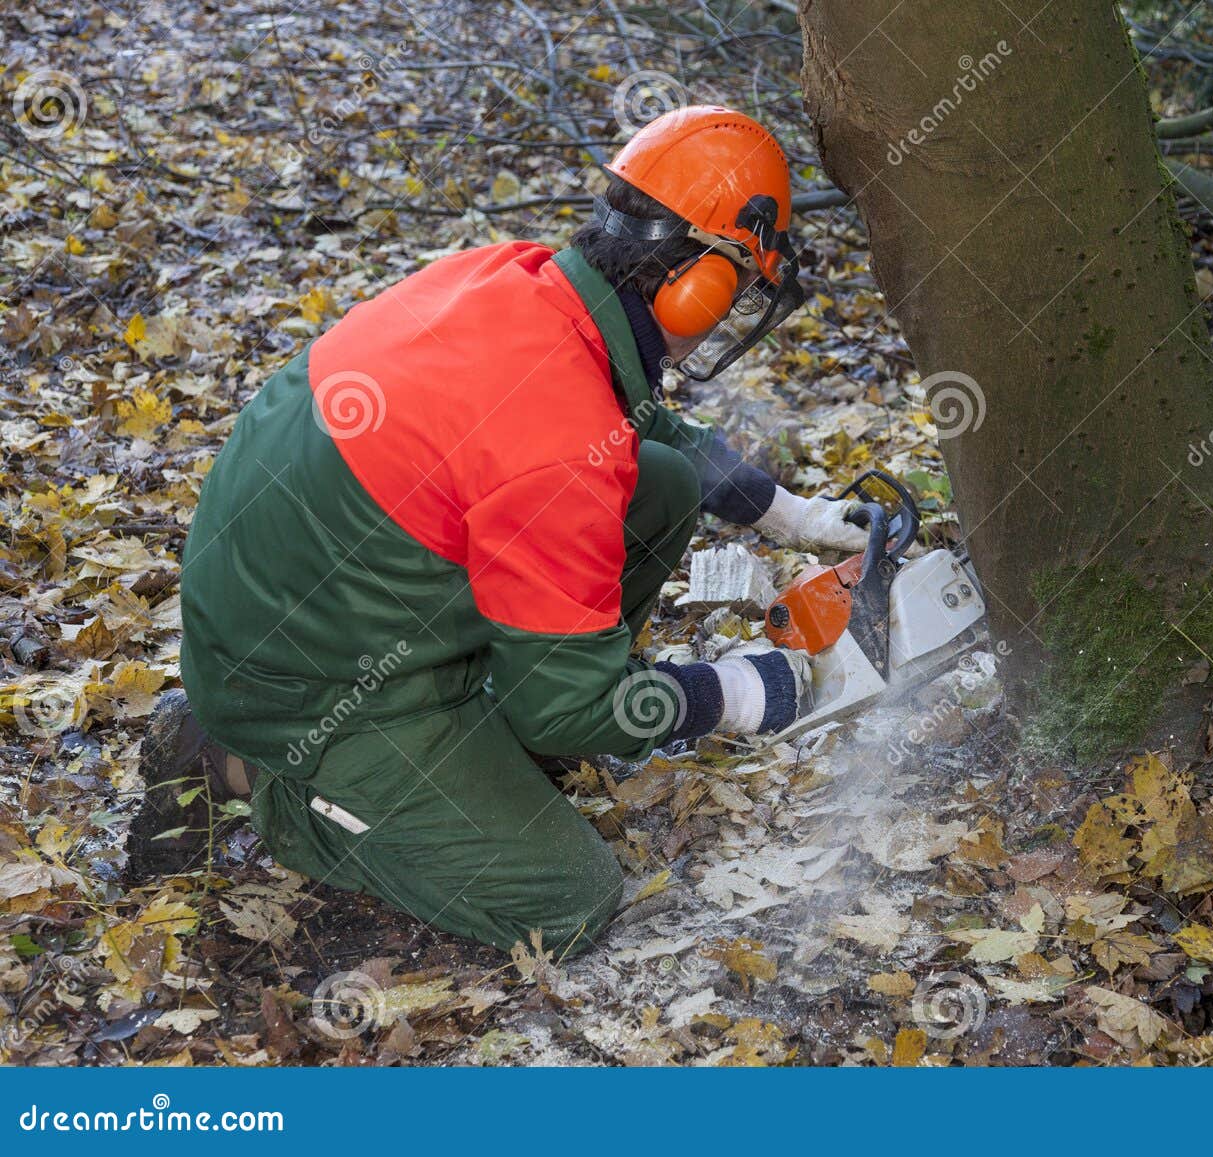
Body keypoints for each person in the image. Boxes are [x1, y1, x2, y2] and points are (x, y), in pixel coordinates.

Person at [128, 106, 867, 953]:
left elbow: (634, 422)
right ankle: (249, 772)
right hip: (303, 692)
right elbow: (572, 703)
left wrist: (795, 513)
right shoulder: (559, 449)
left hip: (319, 595)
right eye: (737, 284)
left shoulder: (520, 281)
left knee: (658, 483)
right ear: (699, 282)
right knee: (569, 898)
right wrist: (734, 692)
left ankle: (485, 725)